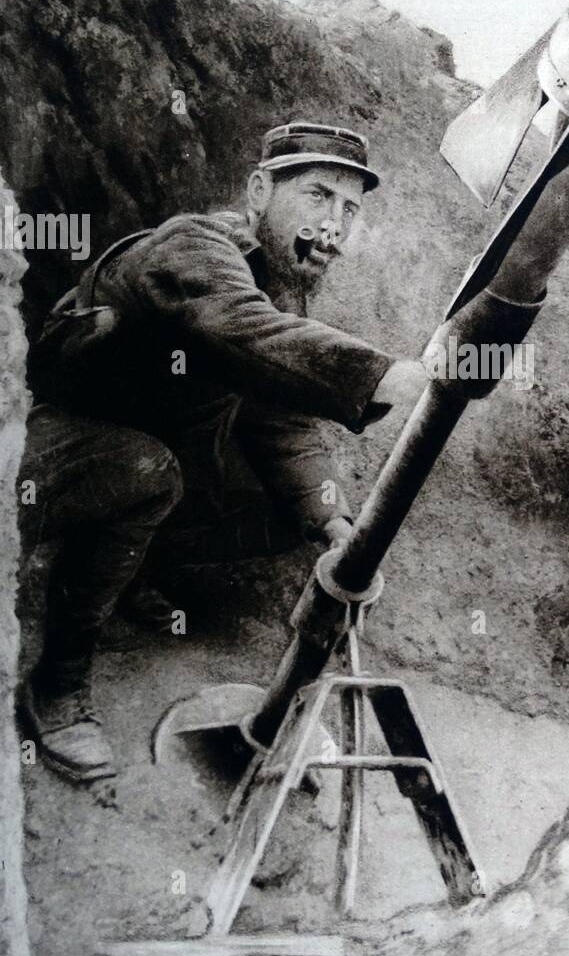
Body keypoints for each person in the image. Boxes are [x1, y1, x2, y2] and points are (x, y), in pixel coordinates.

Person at [19, 120, 429, 784]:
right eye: (319, 196)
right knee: (147, 473)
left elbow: (281, 417)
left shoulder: (283, 282)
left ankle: (126, 566)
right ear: (260, 190)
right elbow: (235, 327)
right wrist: (378, 374)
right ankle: (57, 684)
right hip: (45, 444)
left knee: (280, 511)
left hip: (144, 462)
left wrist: (331, 520)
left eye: (350, 209)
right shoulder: (195, 245)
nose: (334, 226)